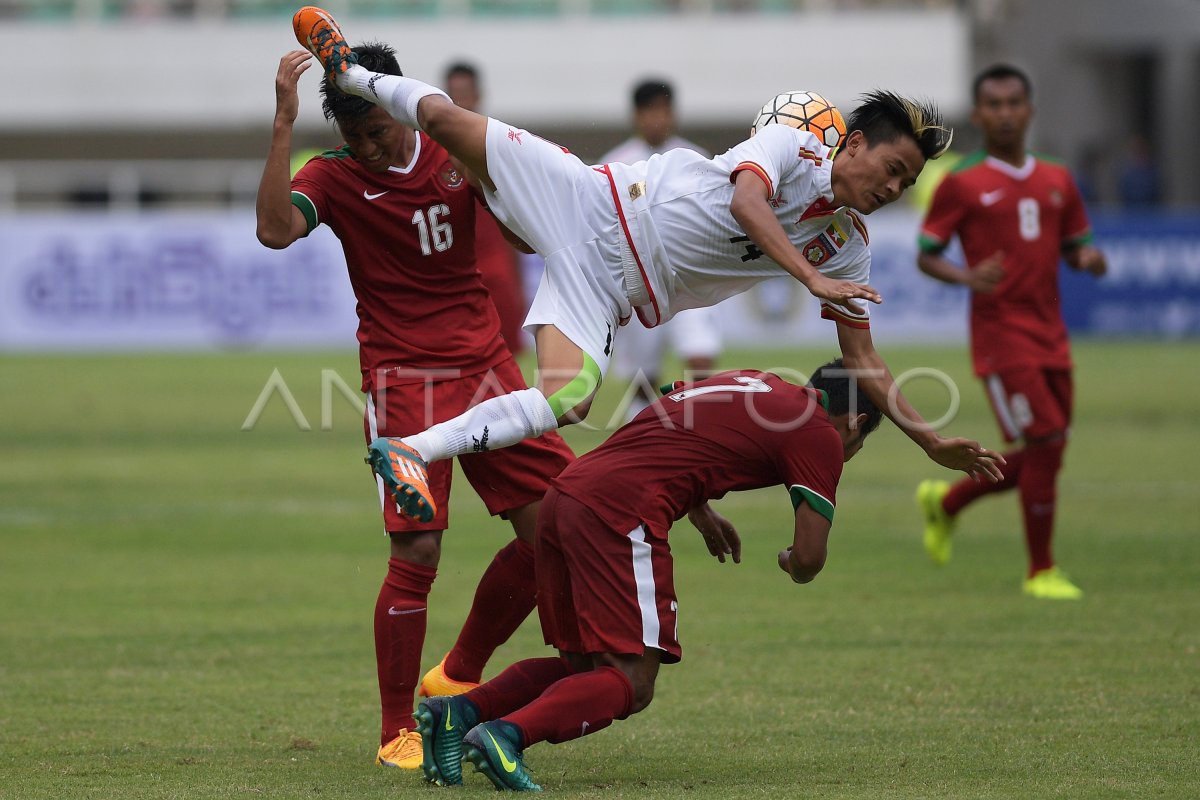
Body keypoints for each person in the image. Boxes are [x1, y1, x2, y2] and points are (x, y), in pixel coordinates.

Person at [290, 6, 1003, 529]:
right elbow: (748, 202)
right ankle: (347, 66)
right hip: (590, 202)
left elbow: (863, 359)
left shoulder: (848, 248)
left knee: (568, 400)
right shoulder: (794, 144)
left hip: (606, 288)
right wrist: (810, 280)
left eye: (906, 183)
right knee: (447, 121)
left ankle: (411, 449)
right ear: (851, 147)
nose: (893, 188)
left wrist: (929, 437)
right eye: (892, 167)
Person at [255, 42, 574, 769]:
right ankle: (395, 728)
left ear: (400, 107)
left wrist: (491, 180)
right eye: (354, 137)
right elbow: (275, 231)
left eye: (378, 131)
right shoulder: (331, 178)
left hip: (488, 369)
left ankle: (459, 672)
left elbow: (527, 237)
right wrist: (282, 124)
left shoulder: (453, 146)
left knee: (554, 528)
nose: (368, 147)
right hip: (403, 383)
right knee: (419, 547)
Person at [414, 358, 883, 790]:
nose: (851, 453)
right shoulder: (819, 431)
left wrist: (699, 509)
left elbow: (672, 411)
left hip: (568, 495)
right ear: (857, 422)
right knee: (632, 681)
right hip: (620, 512)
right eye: (859, 446)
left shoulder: (758, 382)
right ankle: (505, 736)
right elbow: (809, 558)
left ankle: (460, 711)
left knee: (585, 669)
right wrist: (790, 562)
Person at [914, 64, 1107, 600]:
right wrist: (966, 275)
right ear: (978, 114)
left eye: (1013, 103)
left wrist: (1087, 257)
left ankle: (946, 503)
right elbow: (927, 255)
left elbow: (1073, 244)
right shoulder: (962, 182)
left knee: (1049, 450)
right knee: (1044, 440)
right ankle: (1041, 570)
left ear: (1029, 110)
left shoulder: (1057, 178)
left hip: (1052, 334)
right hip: (1001, 336)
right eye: (993, 104)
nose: (1003, 113)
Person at [600, 78, 722, 421]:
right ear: (636, 116)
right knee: (643, 376)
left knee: (700, 357)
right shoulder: (617, 164)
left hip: (692, 276)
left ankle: (699, 426)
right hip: (641, 282)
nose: (658, 119)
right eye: (650, 111)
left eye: (664, 111)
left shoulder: (696, 159)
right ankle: (645, 431)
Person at [443, 60, 530, 355]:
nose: (460, 100)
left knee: (505, 362)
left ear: (479, 95)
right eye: (453, 93)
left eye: (465, 92)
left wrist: (518, 283)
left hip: (497, 270)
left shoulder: (499, 146)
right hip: (453, 276)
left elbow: (516, 220)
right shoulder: (432, 151)